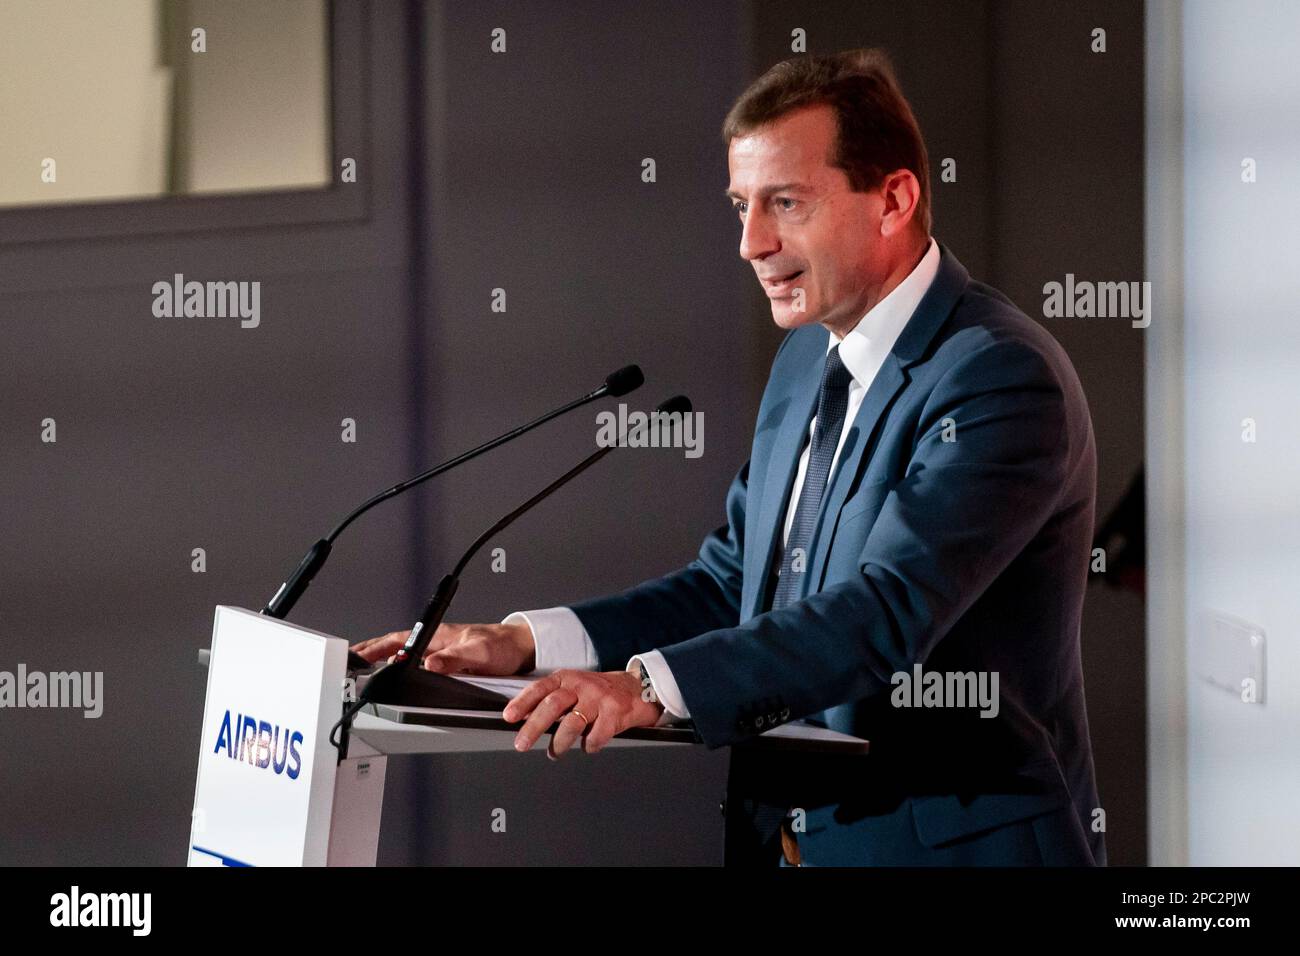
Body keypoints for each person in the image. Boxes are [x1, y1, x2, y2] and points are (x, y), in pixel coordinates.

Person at [355, 48, 1105, 867]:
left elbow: (884, 612)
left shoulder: (997, 375)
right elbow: (731, 585)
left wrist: (643, 687)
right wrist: (527, 643)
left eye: (785, 203)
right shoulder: (805, 359)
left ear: (892, 200)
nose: (751, 242)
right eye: (741, 205)